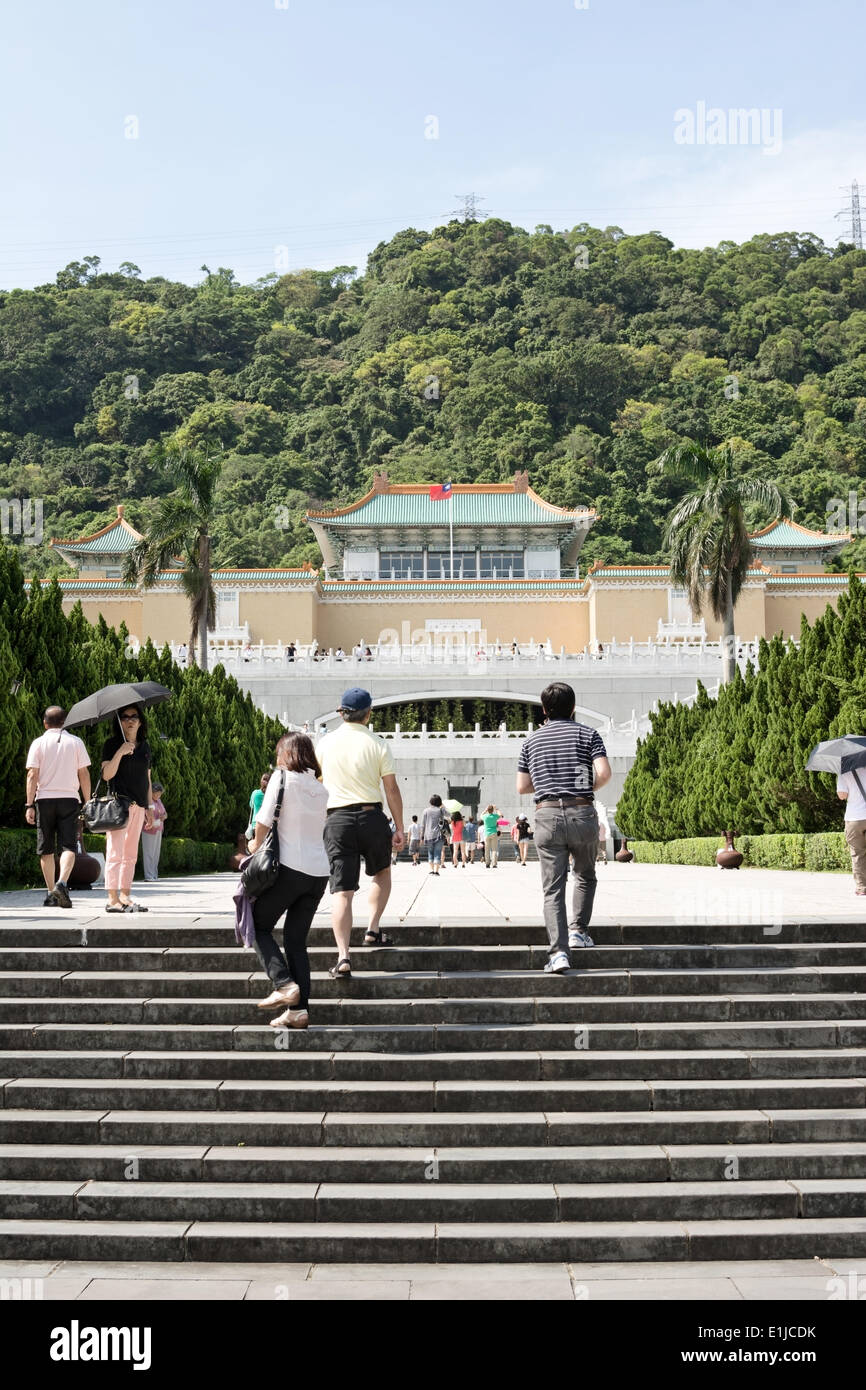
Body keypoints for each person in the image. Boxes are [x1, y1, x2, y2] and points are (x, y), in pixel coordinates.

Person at [516, 681, 611, 973]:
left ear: (544, 709)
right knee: (585, 875)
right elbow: (604, 772)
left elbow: (522, 786)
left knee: (552, 888)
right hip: (582, 811)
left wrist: (548, 782)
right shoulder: (588, 734)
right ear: (573, 707)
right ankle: (579, 932)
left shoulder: (531, 741)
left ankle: (558, 954)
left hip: (547, 816)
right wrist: (582, 787)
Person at [316, 687, 405, 975]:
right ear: (368, 713)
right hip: (371, 817)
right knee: (382, 872)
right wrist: (399, 826)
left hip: (337, 819)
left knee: (341, 891)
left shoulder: (324, 743)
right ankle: (373, 928)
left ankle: (343, 956)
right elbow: (391, 788)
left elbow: (316, 784)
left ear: (341, 713)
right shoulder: (378, 743)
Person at [248, 732, 330, 1030]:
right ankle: (299, 1011)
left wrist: (254, 848)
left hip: (289, 868)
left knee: (257, 925)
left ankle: (283, 984)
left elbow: (263, 821)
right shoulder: (321, 790)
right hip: (318, 874)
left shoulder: (281, 779)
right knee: (296, 942)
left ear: (288, 753)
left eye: (279, 752)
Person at [25, 706, 92, 908]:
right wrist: (87, 802)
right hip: (70, 800)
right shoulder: (76, 742)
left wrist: (29, 804)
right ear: (65, 722)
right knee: (69, 846)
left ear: (45, 723)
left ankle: (51, 893)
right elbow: (84, 774)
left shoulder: (38, 743)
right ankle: (62, 883)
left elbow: (31, 775)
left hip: (44, 800)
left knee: (45, 848)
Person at [101, 705, 156, 913]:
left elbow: (147, 779)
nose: (130, 720)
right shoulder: (112, 744)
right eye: (125, 717)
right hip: (118, 806)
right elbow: (106, 774)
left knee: (131, 854)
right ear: (119, 721)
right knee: (115, 852)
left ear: (141, 721)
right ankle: (112, 898)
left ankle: (125, 895)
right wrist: (120, 753)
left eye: (134, 716)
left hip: (139, 806)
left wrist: (150, 806)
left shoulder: (145, 747)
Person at [837, 766, 866, 896]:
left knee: (858, 854)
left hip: (855, 818)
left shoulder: (844, 771)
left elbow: (842, 795)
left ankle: (862, 887)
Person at [141, 782, 167, 881]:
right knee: (149, 853)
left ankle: (154, 875)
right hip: (149, 830)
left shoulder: (159, 801)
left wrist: (164, 816)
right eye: (157, 793)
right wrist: (150, 822)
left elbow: (165, 813)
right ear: (152, 792)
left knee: (156, 853)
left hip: (159, 829)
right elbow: (143, 815)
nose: (158, 795)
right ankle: (148, 876)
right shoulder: (147, 801)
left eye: (160, 794)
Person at [420, 794, 445, 875]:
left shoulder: (425, 811)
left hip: (428, 835)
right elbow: (449, 815)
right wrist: (443, 807)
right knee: (437, 852)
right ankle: (436, 871)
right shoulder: (440, 810)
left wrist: (422, 837)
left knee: (430, 852)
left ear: (431, 801)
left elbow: (423, 825)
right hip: (439, 835)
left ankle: (431, 870)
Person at [246, 773, 271, 848]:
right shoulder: (271, 795)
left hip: (255, 825)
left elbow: (251, 805)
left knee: (255, 849)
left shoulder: (255, 793)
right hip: (268, 826)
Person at [595, 801, 610, 865]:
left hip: (597, 839)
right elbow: (606, 830)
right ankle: (604, 857)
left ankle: (597, 860)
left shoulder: (596, 824)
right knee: (603, 850)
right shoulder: (602, 824)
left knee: (597, 850)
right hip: (603, 839)